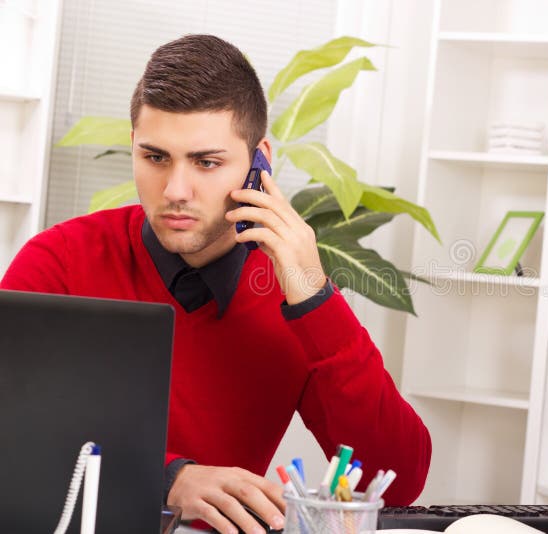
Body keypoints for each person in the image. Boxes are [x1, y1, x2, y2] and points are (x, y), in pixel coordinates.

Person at [0, 34, 431, 534]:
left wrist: (315, 296)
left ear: (259, 160)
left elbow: (397, 482)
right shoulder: (60, 260)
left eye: (206, 162)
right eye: (155, 157)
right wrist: (167, 479)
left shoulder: (292, 294)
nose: (176, 191)